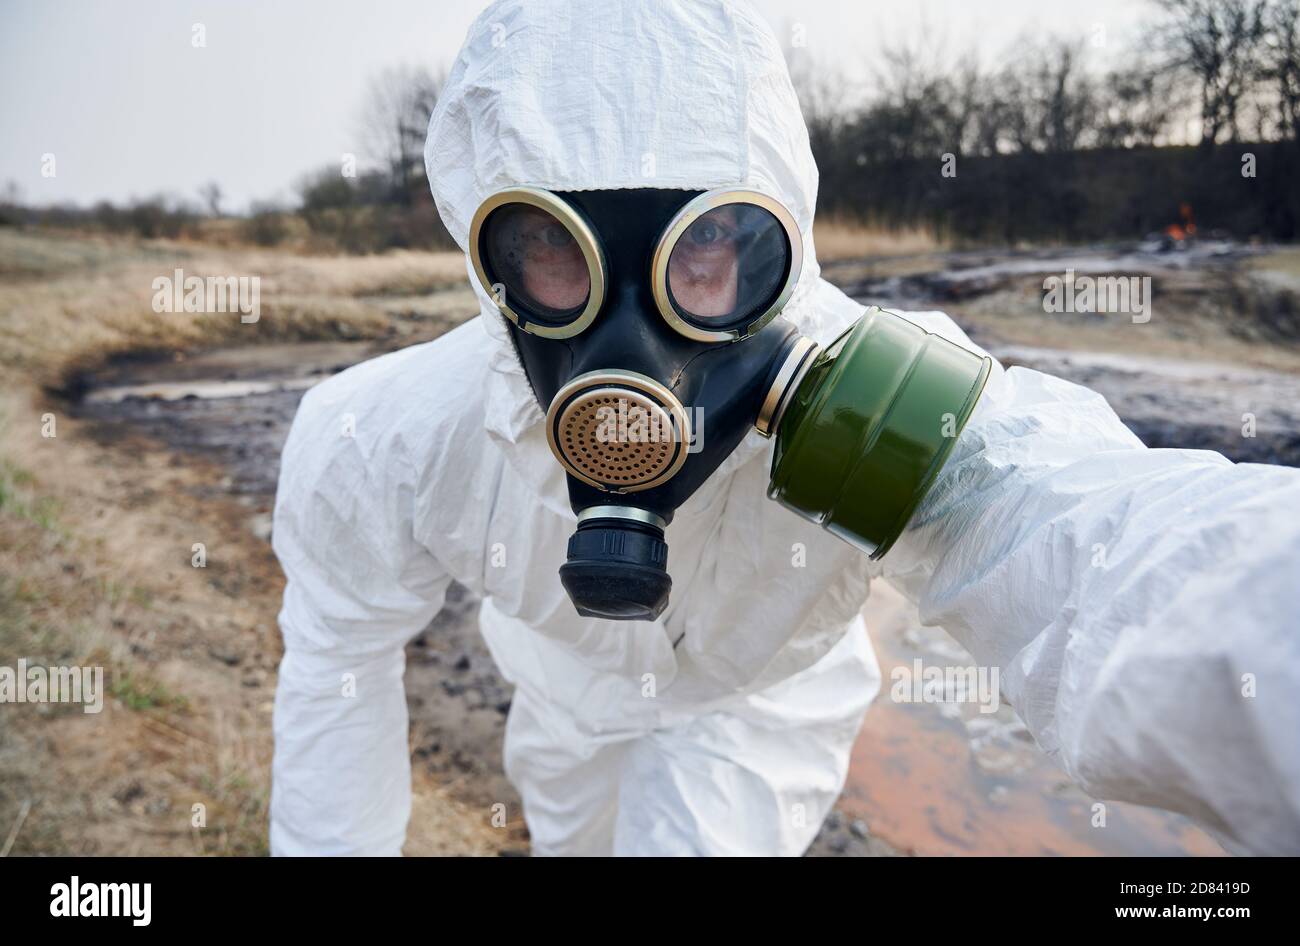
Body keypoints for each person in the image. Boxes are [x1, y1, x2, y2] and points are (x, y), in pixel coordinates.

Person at [270, 0, 1300, 856]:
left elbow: (1100, 549)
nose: (630, 332)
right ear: (486, 253)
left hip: (754, 711)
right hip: (559, 701)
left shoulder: (870, 397)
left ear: (779, 240)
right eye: (554, 246)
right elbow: (335, 667)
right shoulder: (389, 440)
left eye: (707, 241)